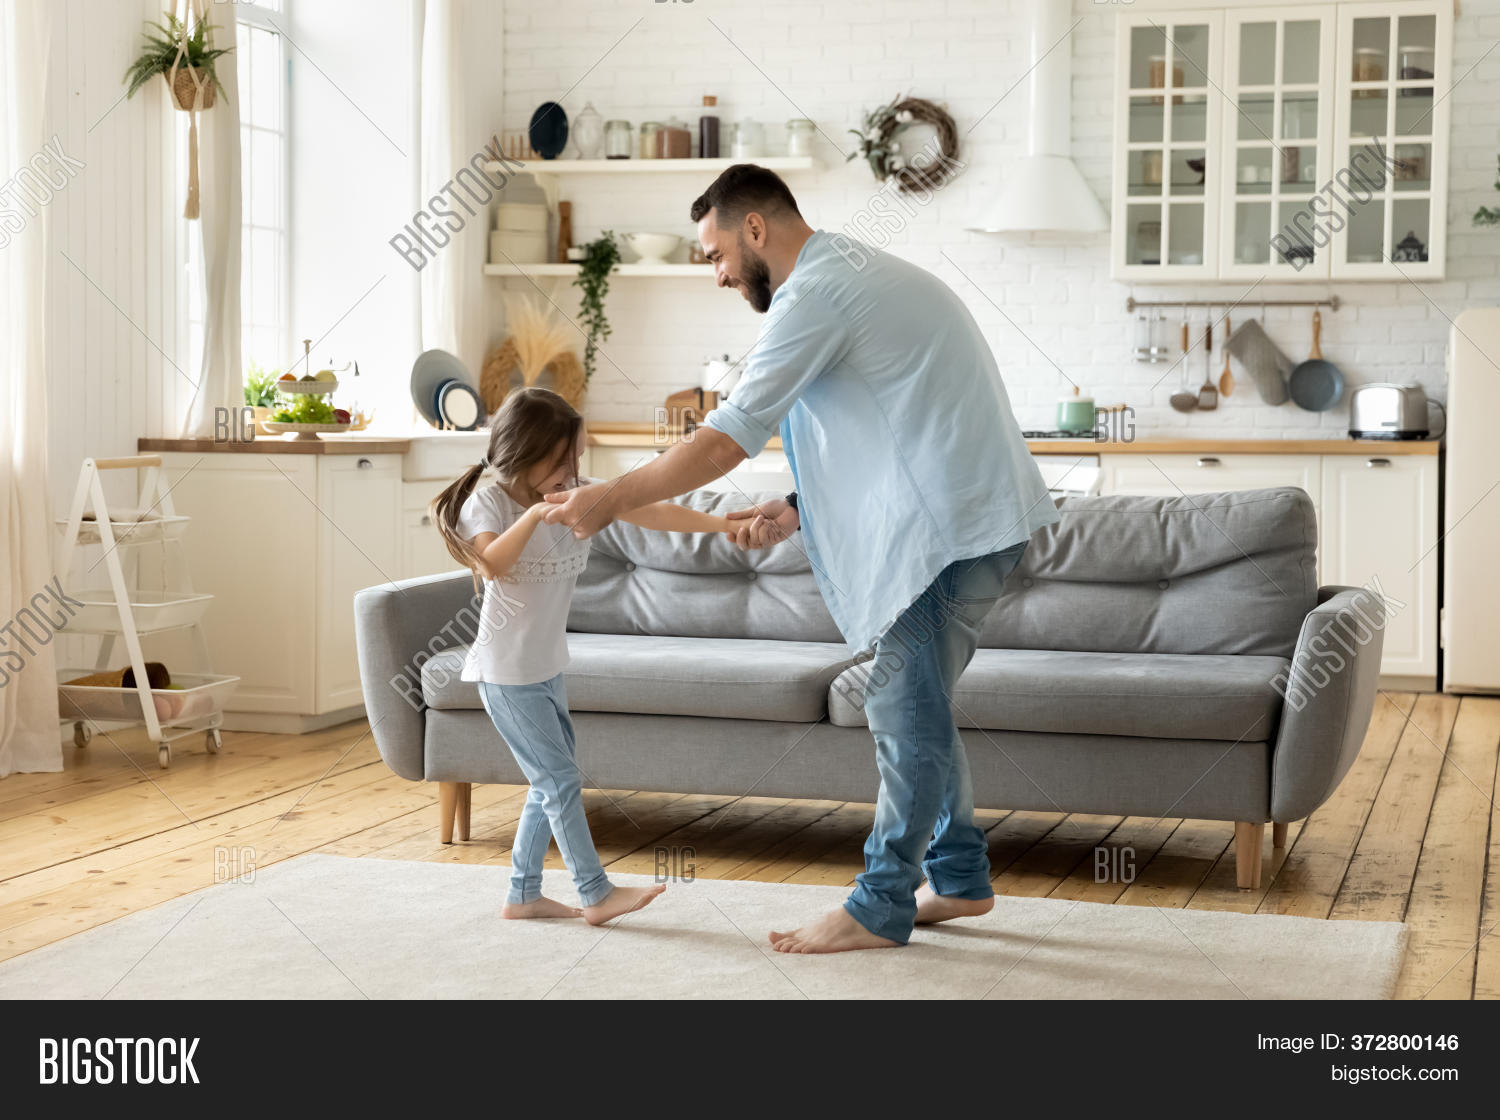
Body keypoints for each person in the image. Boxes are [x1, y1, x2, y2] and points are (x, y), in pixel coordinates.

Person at [544, 165, 1060, 953]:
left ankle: (879, 904)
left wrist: (610, 500)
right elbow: (886, 419)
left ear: (755, 229)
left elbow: (724, 438)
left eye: (714, 253)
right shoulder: (844, 275)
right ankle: (957, 879)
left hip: (957, 525)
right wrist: (795, 507)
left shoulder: (817, 293)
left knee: (898, 699)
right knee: (915, 697)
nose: (716, 274)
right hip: (967, 517)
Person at [431, 387, 732, 925]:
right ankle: (595, 893)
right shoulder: (490, 500)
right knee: (559, 781)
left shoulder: (575, 493)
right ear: (525, 451)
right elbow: (492, 563)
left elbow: (655, 511)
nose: (573, 470)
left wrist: (727, 525)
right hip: (506, 671)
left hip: (547, 666)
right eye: (562, 459)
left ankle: (523, 894)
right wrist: (536, 516)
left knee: (550, 779)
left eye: (578, 458)